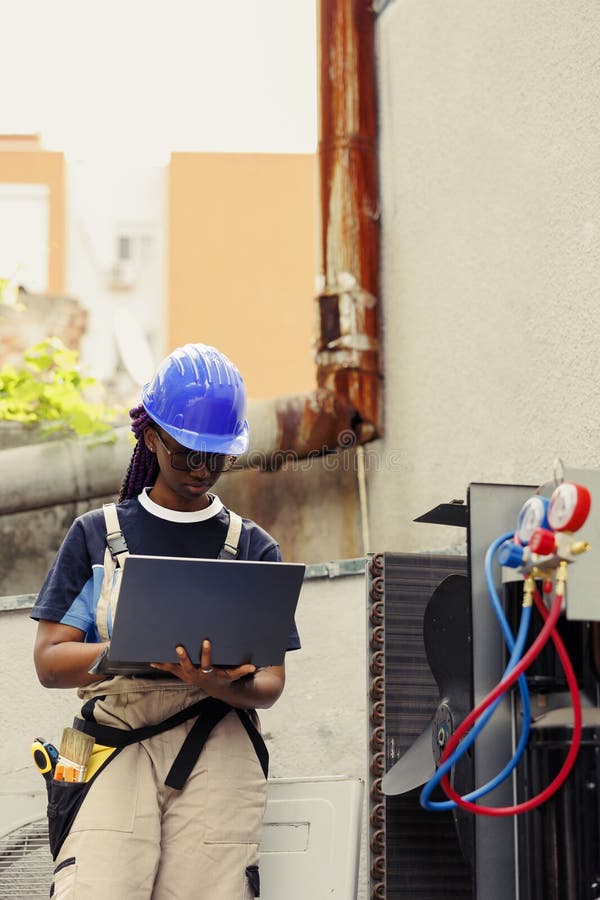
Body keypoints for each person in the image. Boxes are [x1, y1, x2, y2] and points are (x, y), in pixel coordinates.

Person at [31, 342, 301, 900]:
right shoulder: (96, 536)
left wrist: (217, 683)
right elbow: (50, 662)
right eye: (186, 454)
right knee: (95, 887)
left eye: (216, 457)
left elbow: (271, 682)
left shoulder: (252, 547)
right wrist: (120, 651)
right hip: (111, 743)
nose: (202, 470)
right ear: (152, 438)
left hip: (218, 738)